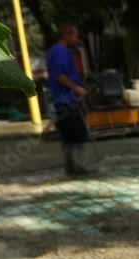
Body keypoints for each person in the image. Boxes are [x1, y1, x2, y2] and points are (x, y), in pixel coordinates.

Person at [46, 23, 95, 175]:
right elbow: (59, 75)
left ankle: (71, 167)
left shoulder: (56, 51)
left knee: (68, 136)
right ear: (67, 35)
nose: (76, 39)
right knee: (77, 134)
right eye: (75, 35)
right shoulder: (60, 52)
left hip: (62, 100)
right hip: (67, 100)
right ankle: (79, 166)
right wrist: (75, 88)